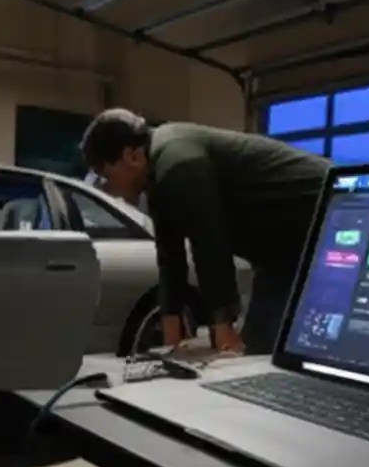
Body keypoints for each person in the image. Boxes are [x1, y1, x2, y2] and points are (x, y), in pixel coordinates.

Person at [80, 109, 329, 354]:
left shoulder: (178, 162)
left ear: (131, 156)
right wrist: (171, 343)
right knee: (262, 347)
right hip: (282, 249)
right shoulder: (158, 172)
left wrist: (224, 332)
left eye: (105, 176)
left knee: (285, 348)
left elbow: (210, 245)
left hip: (329, 212)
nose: (107, 189)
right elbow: (170, 258)